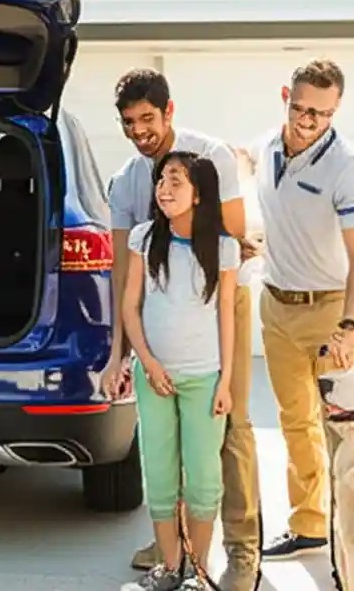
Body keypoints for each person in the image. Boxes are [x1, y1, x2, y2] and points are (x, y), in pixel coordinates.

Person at [100, 69, 262, 591]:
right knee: (163, 454)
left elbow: (232, 234)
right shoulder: (127, 180)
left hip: (216, 295)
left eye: (147, 118)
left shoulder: (207, 154)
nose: (139, 130)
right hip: (156, 305)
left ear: (169, 112)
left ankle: (238, 549)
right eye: (129, 122)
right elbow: (125, 273)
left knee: (229, 431)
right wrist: (120, 353)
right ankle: (173, 551)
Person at [248, 58, 354, 586]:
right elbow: (242, 176)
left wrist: (352, 324)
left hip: (328, 310)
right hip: (275, 306)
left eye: (320, 114)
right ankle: (308, 525)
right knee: (295, 422)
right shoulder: (265, 148)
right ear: (286, 96)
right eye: (300, 108)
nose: (307, 120)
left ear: (336, 110)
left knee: (342, 430)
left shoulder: (349, 166)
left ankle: (353, 539)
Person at [118, 151, 239, 591]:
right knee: (162, 476)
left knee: (204, 480)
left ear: (199, 194)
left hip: (204, 379)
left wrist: (225, 382)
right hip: (155, 379)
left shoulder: (223, 248)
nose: (164, 189)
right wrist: (147, 363)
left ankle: (199, 573)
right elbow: (130, 307)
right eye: (161, 181)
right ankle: (169, 568)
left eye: (176, 181)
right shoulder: (144, 238)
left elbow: (227, 315)